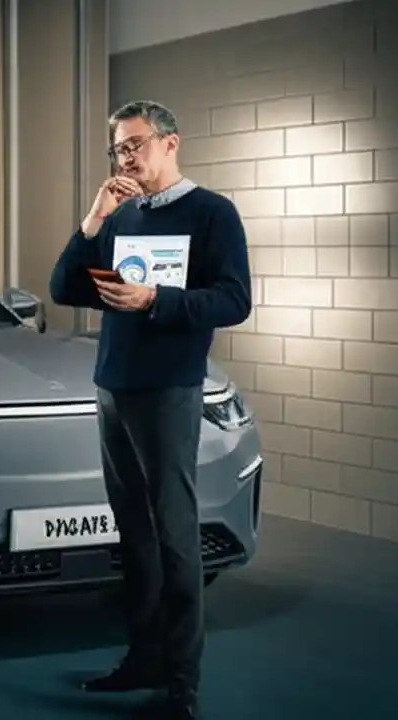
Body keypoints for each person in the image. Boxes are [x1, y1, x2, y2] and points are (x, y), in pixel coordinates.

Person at [48, 100, 252, 720]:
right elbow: (64, 288)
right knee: (133, 535)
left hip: (169, 388)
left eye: (136, 145)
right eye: (118, 149)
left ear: (170, 143)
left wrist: (155, 299)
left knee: (174, 535)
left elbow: (233, 299)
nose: (126, 158)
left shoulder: (212, 213)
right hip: (113, 384)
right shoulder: (123, 212)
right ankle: (143, 657)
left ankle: (182, 681)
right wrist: (92, 219)